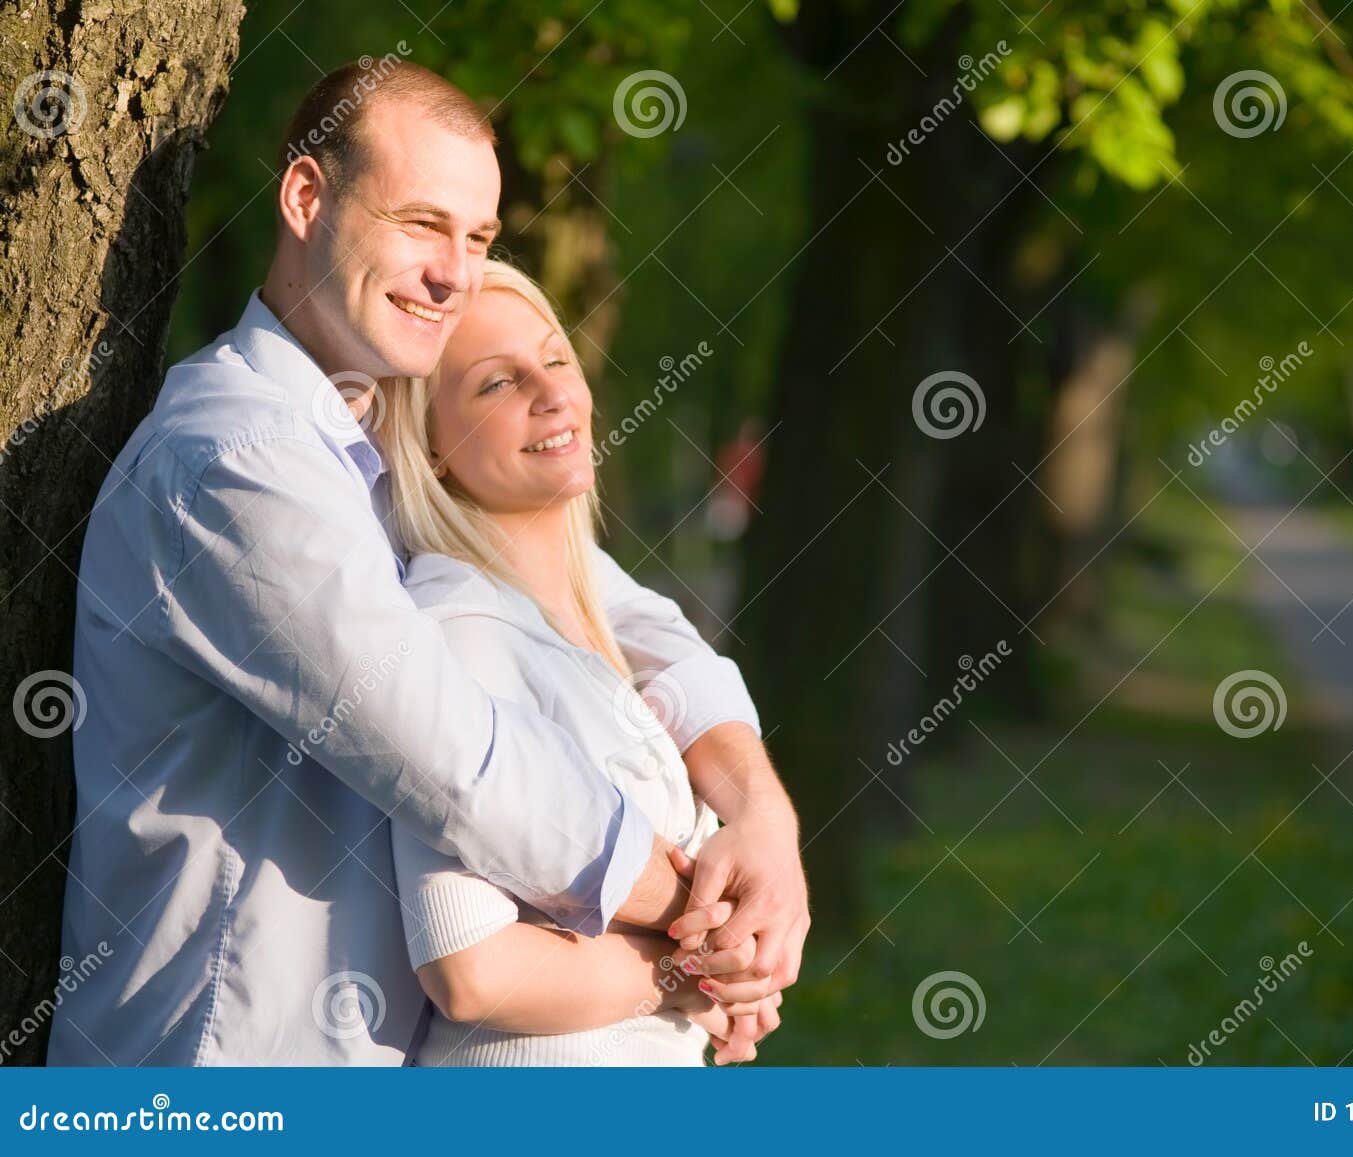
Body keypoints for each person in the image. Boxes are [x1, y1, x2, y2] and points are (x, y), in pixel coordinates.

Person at [48, 60, 806, 1066]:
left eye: (479, 237)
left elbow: (618, 614)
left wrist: (761, 819)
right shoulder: (237, 459)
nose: (454, 270)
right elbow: (460, 763)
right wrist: (707, 922)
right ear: (307, 197)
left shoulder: (363, 459)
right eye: (420, 223)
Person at [378, 260, 781, 1065]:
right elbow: (471, 970)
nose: (551, 391)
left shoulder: (583, 612)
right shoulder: (458, 632)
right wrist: (688, 972)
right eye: (496, 383)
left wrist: (746, 935)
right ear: (432, 445)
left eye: (556, 357)